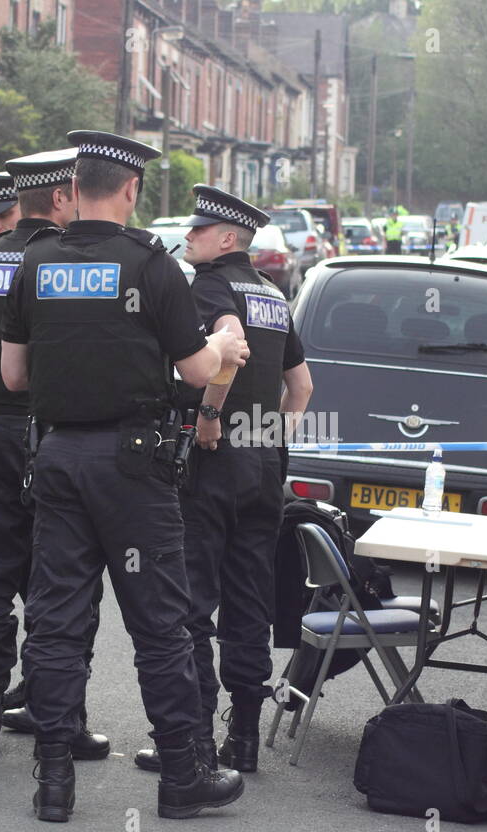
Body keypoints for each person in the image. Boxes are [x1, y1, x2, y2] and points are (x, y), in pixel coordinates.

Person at [0, 130, 250, 822]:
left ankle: (53, 780)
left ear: (72, 190)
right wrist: (223, 345)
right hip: (134, 468)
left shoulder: (36, 261)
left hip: (56, 461)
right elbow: (201, 374)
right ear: (133, 190)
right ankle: (182, 775)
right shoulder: (151, 265)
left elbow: (13, 375)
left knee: (54, 623)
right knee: (161, 625)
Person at [0, 150, 109, 759]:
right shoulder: (69, 261)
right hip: (58, 436)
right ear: (60, 199)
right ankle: (56, 712)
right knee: (62, 583)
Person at [133, 185, 312, 774]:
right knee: (248, 602)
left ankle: (195, 743)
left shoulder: (209, 287)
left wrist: (209, 420)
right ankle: (247, 738)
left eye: (199, 230)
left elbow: (227, 350)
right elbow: (302, 388)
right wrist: (272, 438)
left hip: (212, 464)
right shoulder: (274, 294)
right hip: (263, 465)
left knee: (191, 604)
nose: (189, 237)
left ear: (227, 239)